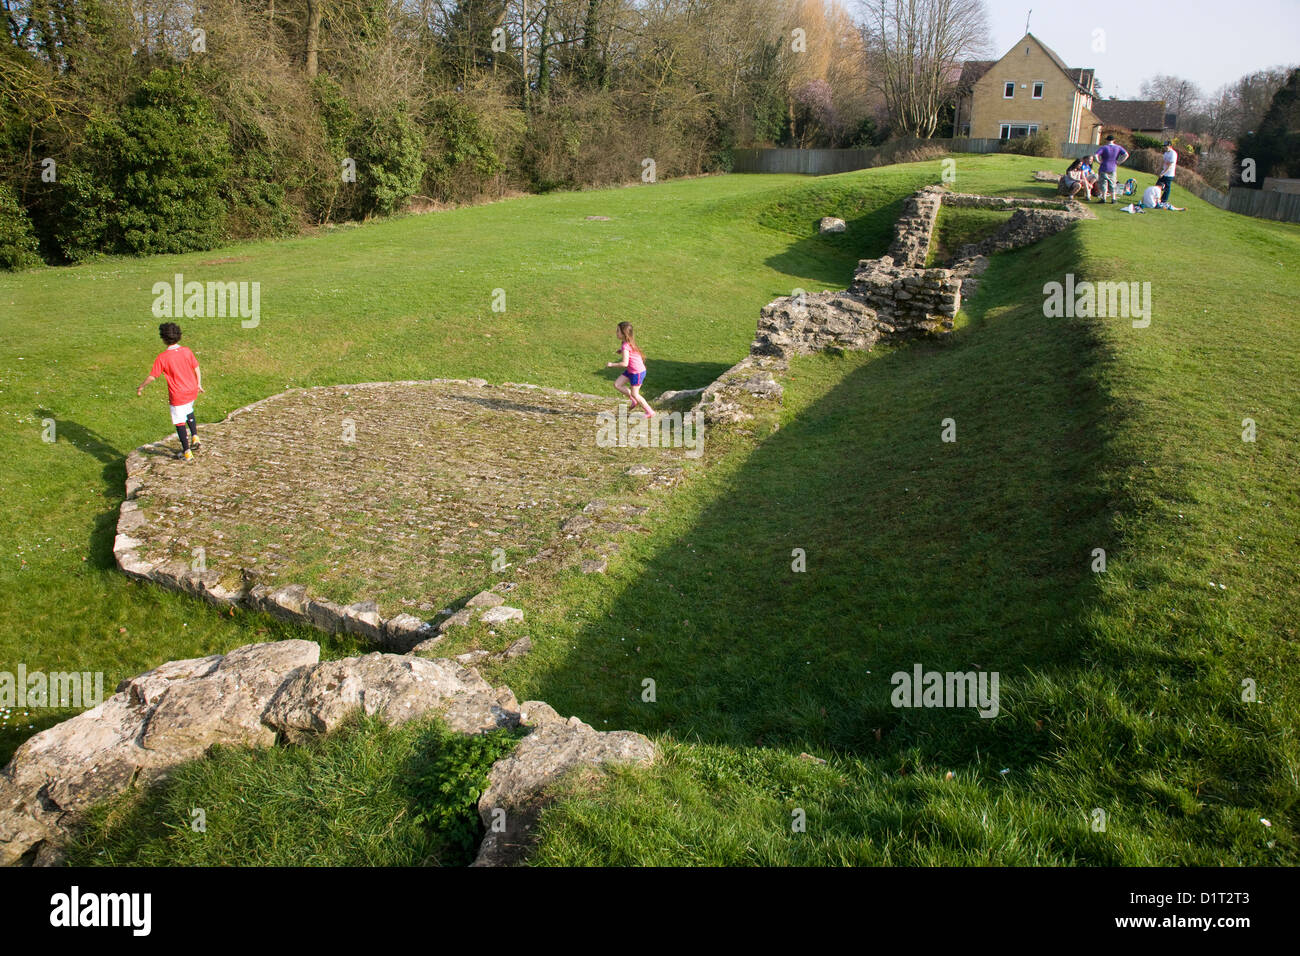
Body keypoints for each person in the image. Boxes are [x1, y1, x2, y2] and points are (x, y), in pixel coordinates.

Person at [137, 322, 203, 460]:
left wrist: (141, 386)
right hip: (191, 390)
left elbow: (153, 376)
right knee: (189, 410)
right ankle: (195, 436)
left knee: (179, 421)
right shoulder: (186, 351)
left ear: (163, 338)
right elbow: (196, 367)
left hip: (178, 395)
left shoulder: (163, 357)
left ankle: (187, 452)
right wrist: (199, 384)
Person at [606, 321, 654, 419]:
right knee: (617, 384)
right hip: (632, 370)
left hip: (637, 372)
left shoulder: (625, 345)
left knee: (635, 393)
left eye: (618, 331)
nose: (616, 333)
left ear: (624, 333)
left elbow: (624, 363)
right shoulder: (627, 342)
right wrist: (622, 351)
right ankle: (633, 400)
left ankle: (650, 412)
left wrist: (612, 364)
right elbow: (630, 351)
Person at [1093, 135, 1130, 203]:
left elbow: (1095, 155)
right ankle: (1113, 199)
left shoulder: (1104, 148)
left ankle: (1103, 198)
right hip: (1113, 167)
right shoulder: (1118, 147)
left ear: (1107, 140)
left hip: (1103, 167)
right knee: (1112, 183)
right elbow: (1126, 155)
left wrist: (1098, 161)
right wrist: (1119, 162)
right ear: (1114, 140)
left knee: (1103, 183)